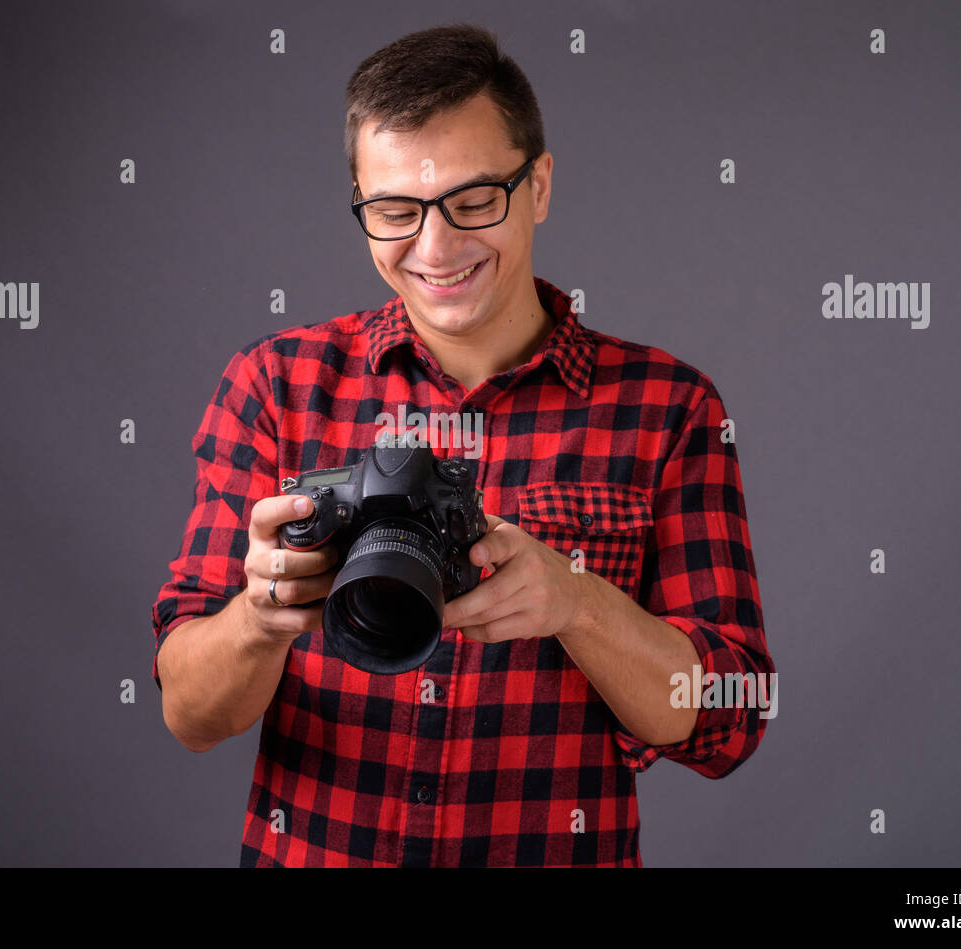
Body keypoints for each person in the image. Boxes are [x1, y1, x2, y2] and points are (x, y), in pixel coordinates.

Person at [151, 23, 774, 867]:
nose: (435, 247)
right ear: (361, 207)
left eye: (476, 200)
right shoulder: (277, 385)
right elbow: (190, 714)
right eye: (395, 211)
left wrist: (578, 603)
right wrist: (261, 617)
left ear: (540, 184)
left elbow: (727, 720)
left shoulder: (668, 408)